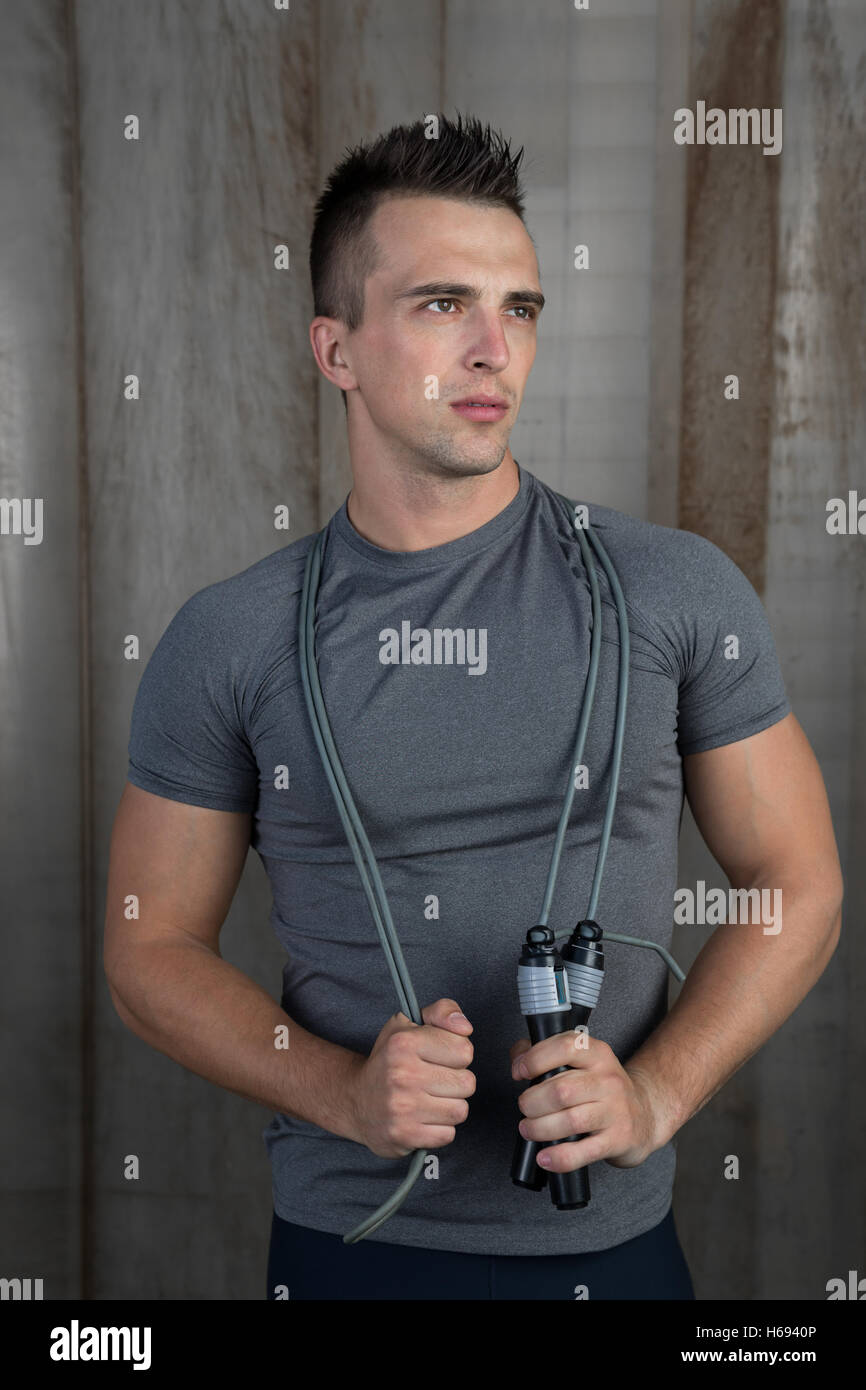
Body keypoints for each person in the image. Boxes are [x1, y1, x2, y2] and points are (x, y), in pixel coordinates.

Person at [104, 113, 843, 1302]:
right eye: (442, 305)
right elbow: (148, 945)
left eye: (521, 308)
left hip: (611, 1254)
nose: (495, 348)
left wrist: (655, 1092)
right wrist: (339, 1089)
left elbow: (795, 881)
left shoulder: (669, 590)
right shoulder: (231, 636)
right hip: (351, 1251)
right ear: (334, 349)